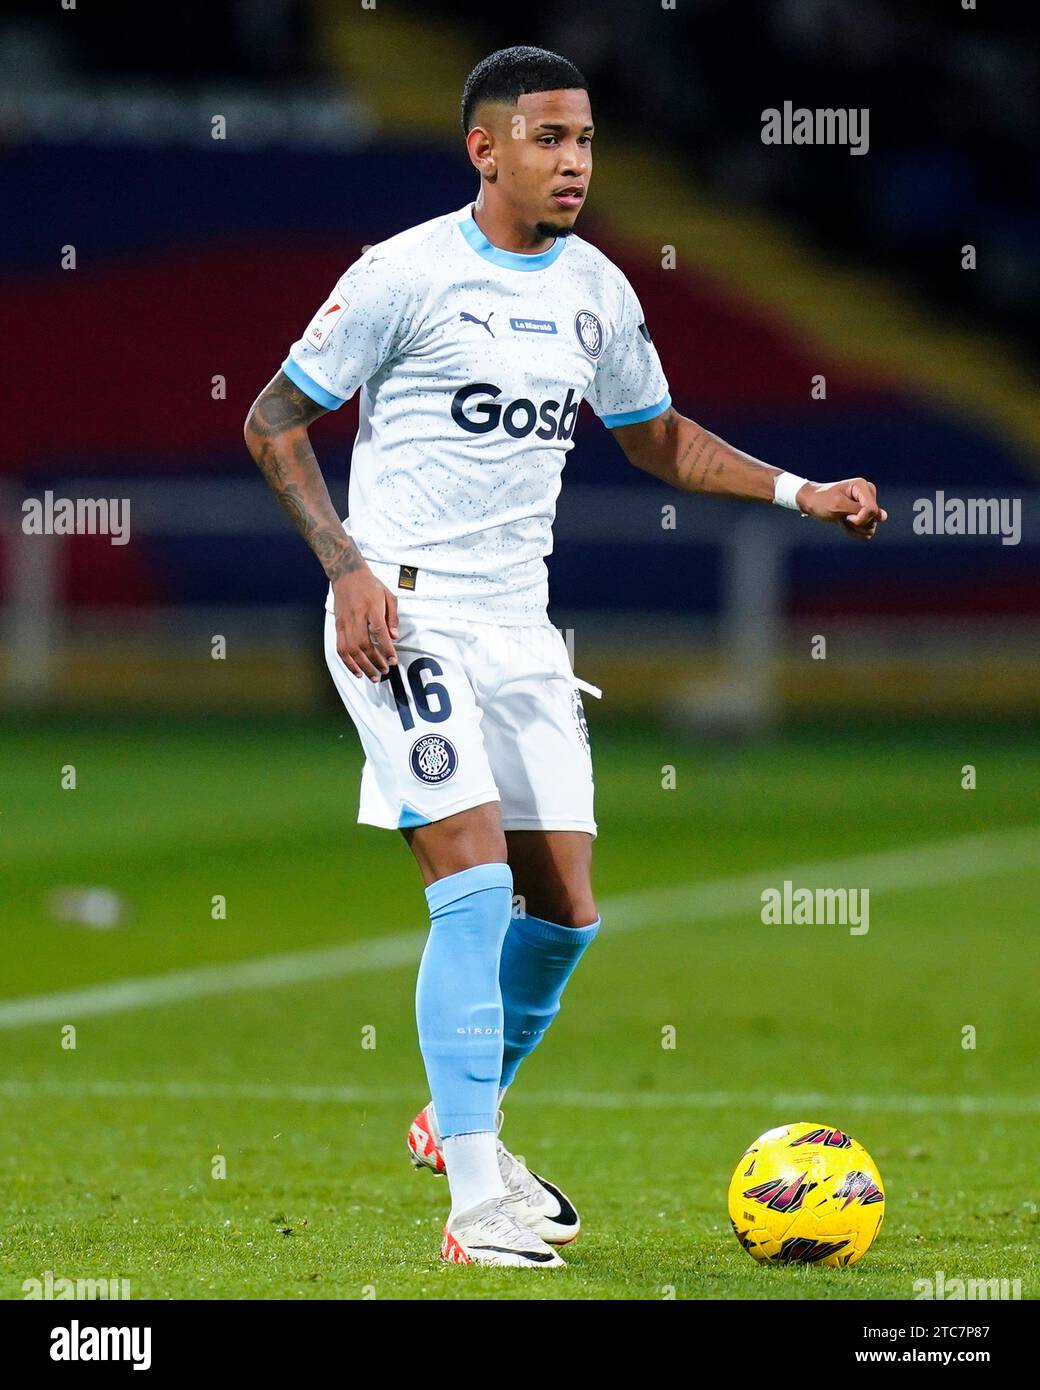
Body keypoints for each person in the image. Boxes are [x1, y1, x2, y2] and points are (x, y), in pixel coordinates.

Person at [244, 44, 885, 1268]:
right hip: (406, 618)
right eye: (546, 138)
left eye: (584, 139)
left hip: (522, 628)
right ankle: (477, 1200)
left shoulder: (595, 288)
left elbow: (656, 439)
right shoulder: (401, 275)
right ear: (483, 149)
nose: (574, 161)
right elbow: (272, 415)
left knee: (565, 910)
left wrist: (802, 492)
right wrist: (346, 569)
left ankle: (457, 1113)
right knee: (473, 886)